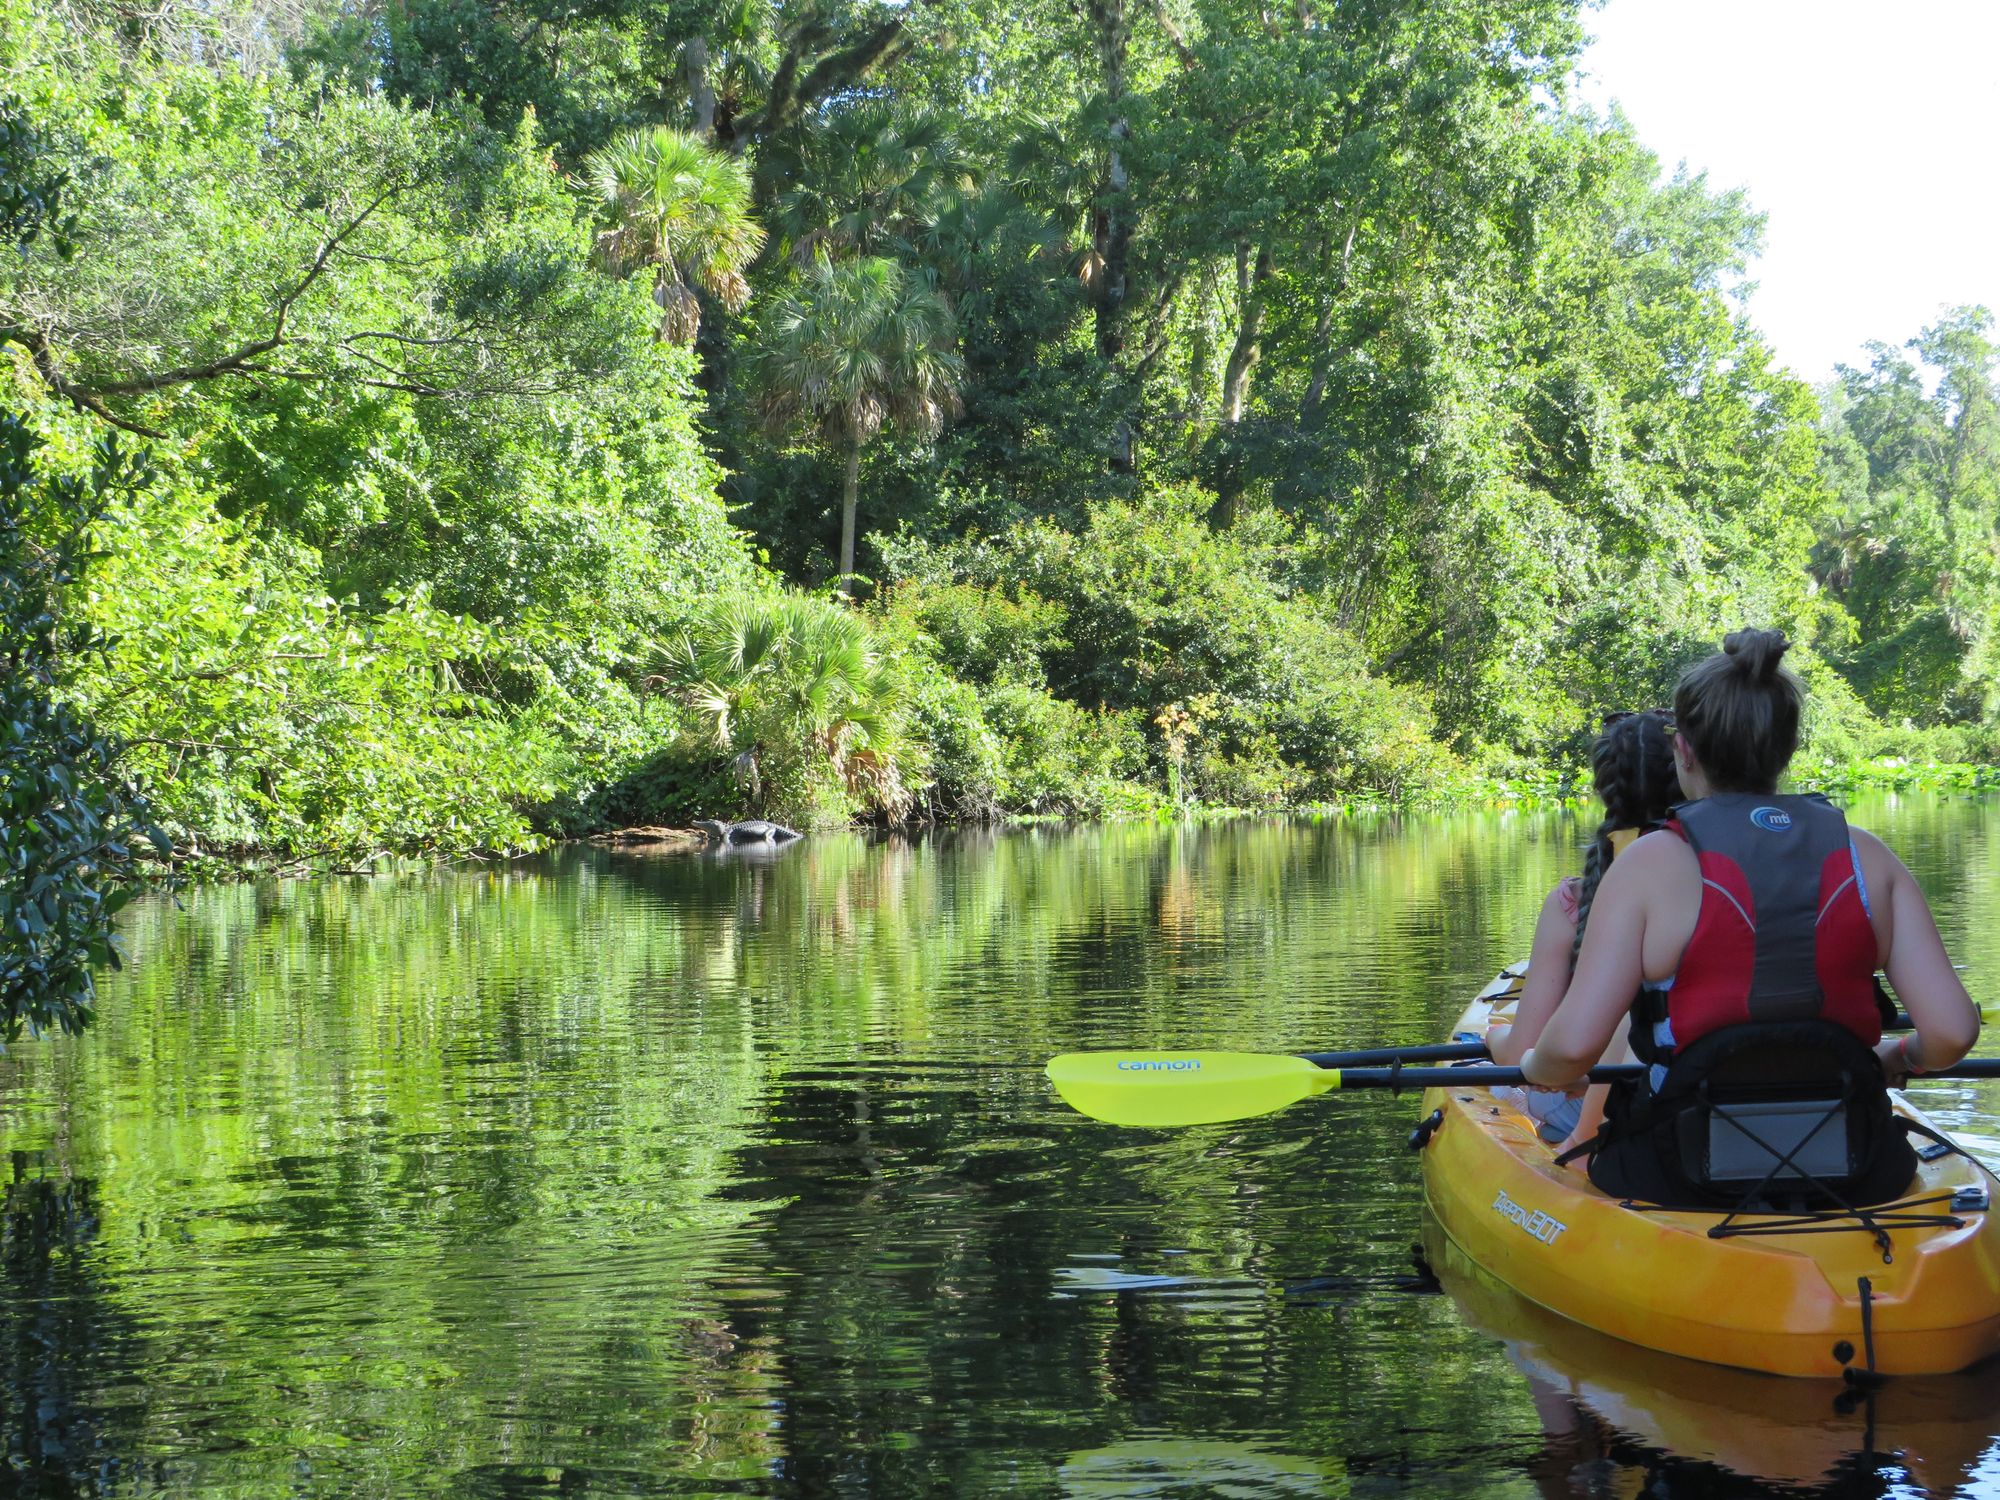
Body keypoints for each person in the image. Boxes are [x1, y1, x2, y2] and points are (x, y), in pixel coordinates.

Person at [1520, 628, 1980, 1208]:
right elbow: (1952, 1032)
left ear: (1683, 750)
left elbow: (1572, 1048)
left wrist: (1536, 1067)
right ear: (1788, 748)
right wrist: (1901, 1056)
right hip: (1858, 1167)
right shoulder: (1870, 858)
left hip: (1675, 1173)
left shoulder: (1646, 865)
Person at [1486, 709, 1679, 1147]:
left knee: (1513, 1085)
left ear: (1602, 790)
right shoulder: (1715, 880)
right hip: (1690, 1091)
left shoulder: (1572, 901)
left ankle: (1575, 1145)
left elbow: (1520, 1055)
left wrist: (1495, 1037)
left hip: (1627, 1102)